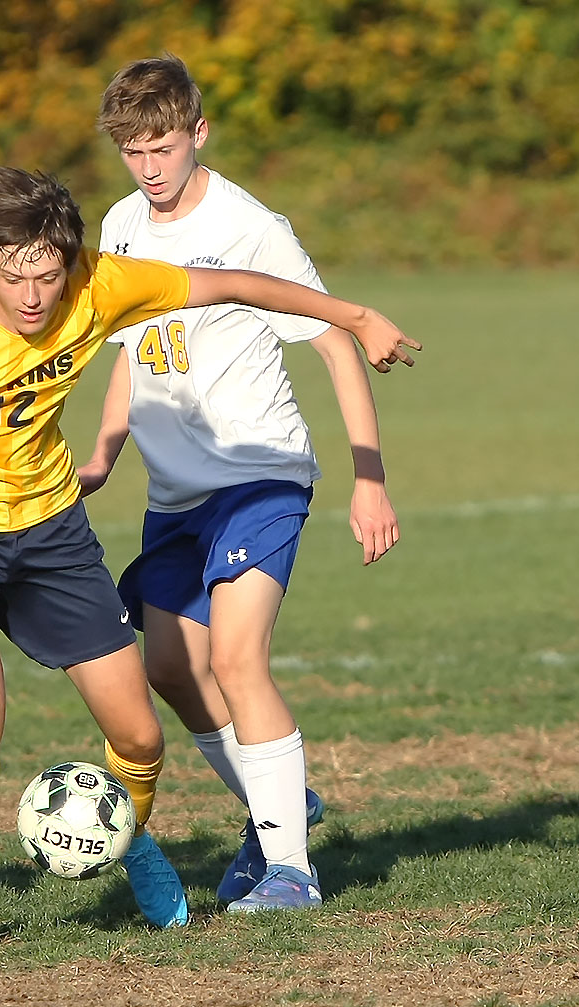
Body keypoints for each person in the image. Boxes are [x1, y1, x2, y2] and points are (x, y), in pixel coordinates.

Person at [0, 165, 418, 950]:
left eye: (47, 273)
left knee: (139, 738)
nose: (34, 295)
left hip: (50, 529)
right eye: (13, 275)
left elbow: (238, 282)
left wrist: (358, 314)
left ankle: (130, 843)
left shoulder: (100, 286)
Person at [80, 55, 416, 911]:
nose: (149, 167)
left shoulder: (250, 226)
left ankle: (292, 871)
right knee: (168, 666)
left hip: (260, 473)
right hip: (174, 497)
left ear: (198, 133)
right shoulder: (119, 224)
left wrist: (368, 478)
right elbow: (132, 357)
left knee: (235, 657)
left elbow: (335, 339)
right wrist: (104, 453)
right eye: (131, 151)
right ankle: (281, 811)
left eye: (162, 146)